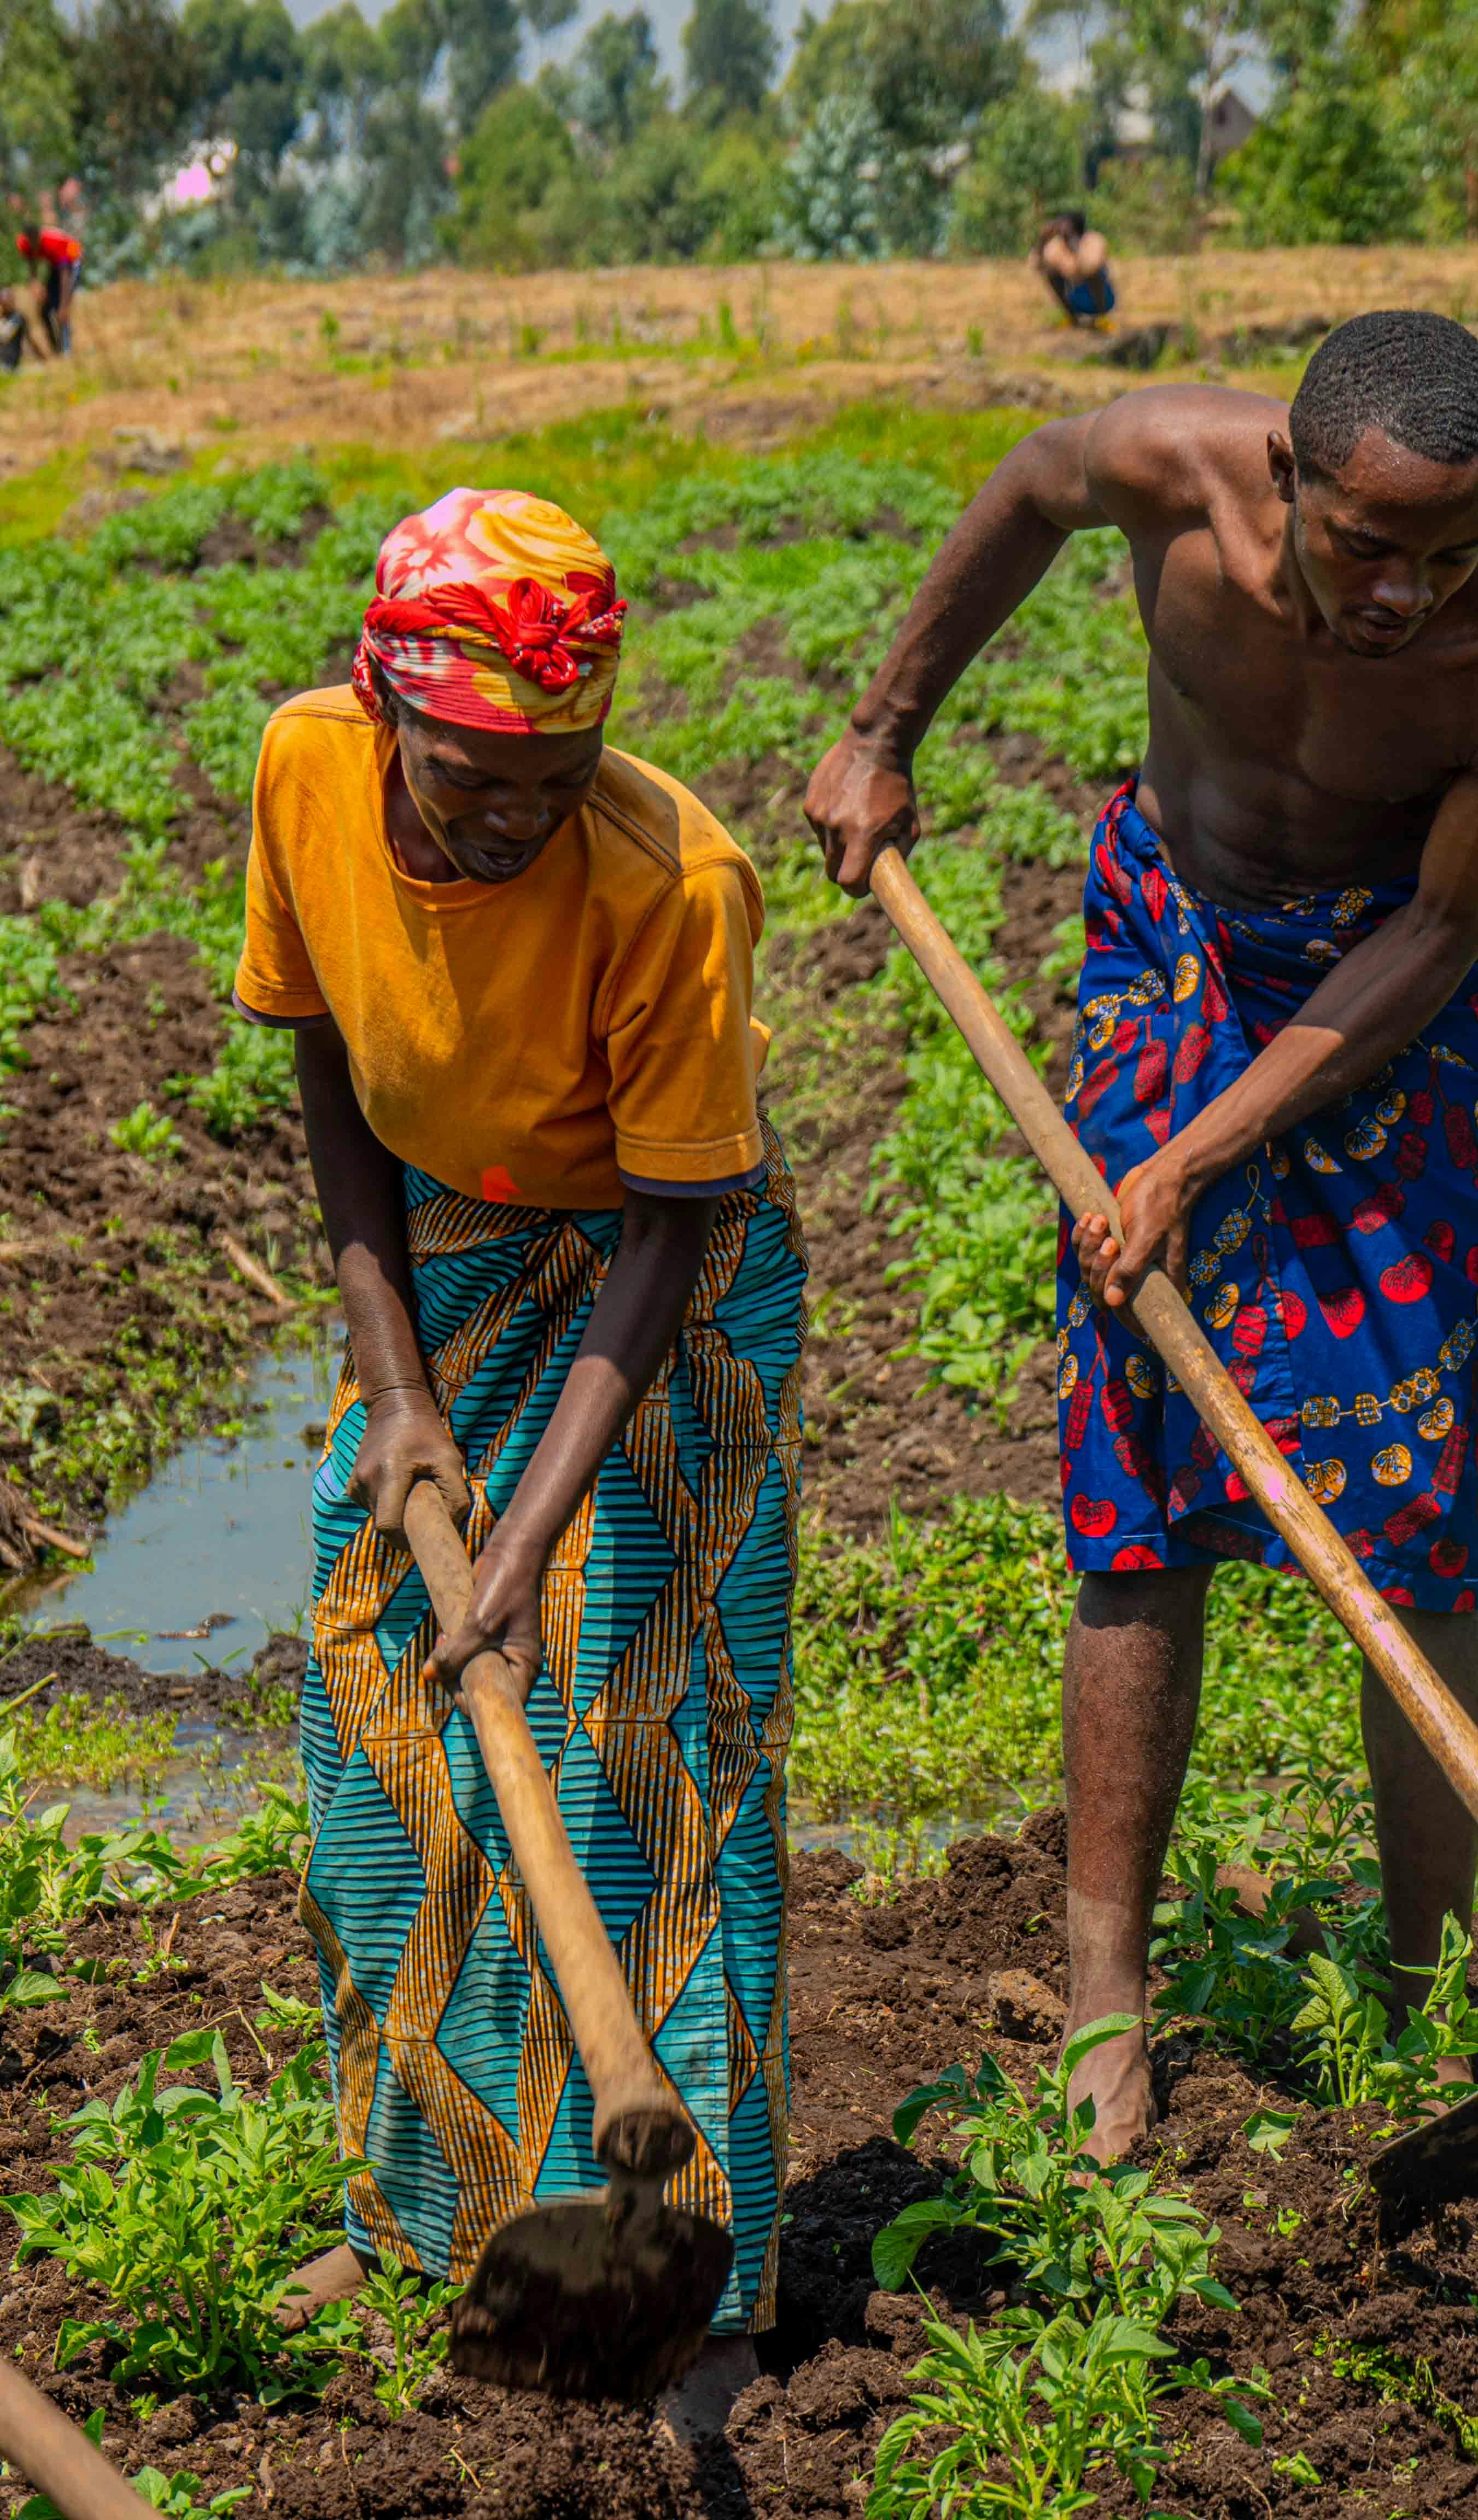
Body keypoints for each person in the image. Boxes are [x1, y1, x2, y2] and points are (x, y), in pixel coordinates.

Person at [804, 311, 1478, 2159]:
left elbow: (1427, 938)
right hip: (1176, 938)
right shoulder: (1171, 465)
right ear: (1282, 482)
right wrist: (880, 731)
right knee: (1139, 1466)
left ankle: (1424, 2007)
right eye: (1364, 548)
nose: (1405, 595)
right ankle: (1106, 2000)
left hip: (1397, 1008)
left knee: (1417, 1501)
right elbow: (1021, 489)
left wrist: (1199, 1148)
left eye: (1448, 553)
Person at [236, 487, 806, 2433]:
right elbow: (322, 1057)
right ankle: (423, 2213)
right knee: (387, 1717)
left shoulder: (670, 879)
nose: (513, 816)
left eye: (551, 777)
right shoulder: (305, 770)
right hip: (447, 1248)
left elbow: (662, 1228)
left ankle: (705, 2269)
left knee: (646, 1744)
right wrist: (394, 1390)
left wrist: (535, 1531)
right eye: (475, 777)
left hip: (661, 1283)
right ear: (384, 704)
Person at [1031, 209, 1115, 326]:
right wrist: (1042, 242)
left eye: (1063, 224)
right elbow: (1038, 267)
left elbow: (1090, 267)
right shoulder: (1056, 245)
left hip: (1103, 299)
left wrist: (1075, 246)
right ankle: (1073, 317)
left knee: (1095, 275)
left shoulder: (1094, 239)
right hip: (1076, 296)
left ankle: (1102, 318)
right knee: (1052, 275)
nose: (1059, 227)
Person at [15, 221, 80, 354]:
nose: (33, 245)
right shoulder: (23, 243)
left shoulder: (54, 243)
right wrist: (35, 283)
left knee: (61, 310)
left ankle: (67, 351)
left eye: (35, 242)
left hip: (72, 262)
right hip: (55, 265)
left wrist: (64, 305)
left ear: (39, 237)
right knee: (44, 311)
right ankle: (56, 349)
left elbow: (65, 276)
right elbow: (31, 261)